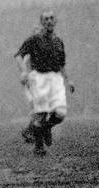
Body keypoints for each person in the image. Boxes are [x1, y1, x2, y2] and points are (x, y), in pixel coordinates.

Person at [16, 9, 74, 156]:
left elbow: (62, 64)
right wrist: (24, 71)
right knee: (41, 114)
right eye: (46, 19)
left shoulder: (59, 42)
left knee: (60, 114)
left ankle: (44, 129)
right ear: (42, 22)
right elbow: (18, 55)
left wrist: (69, 80)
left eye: (51, 18)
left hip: (55, 78)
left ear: (55, 22)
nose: (49, 21)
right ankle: (38, 147)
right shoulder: (35, 39)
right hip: (39, 77)